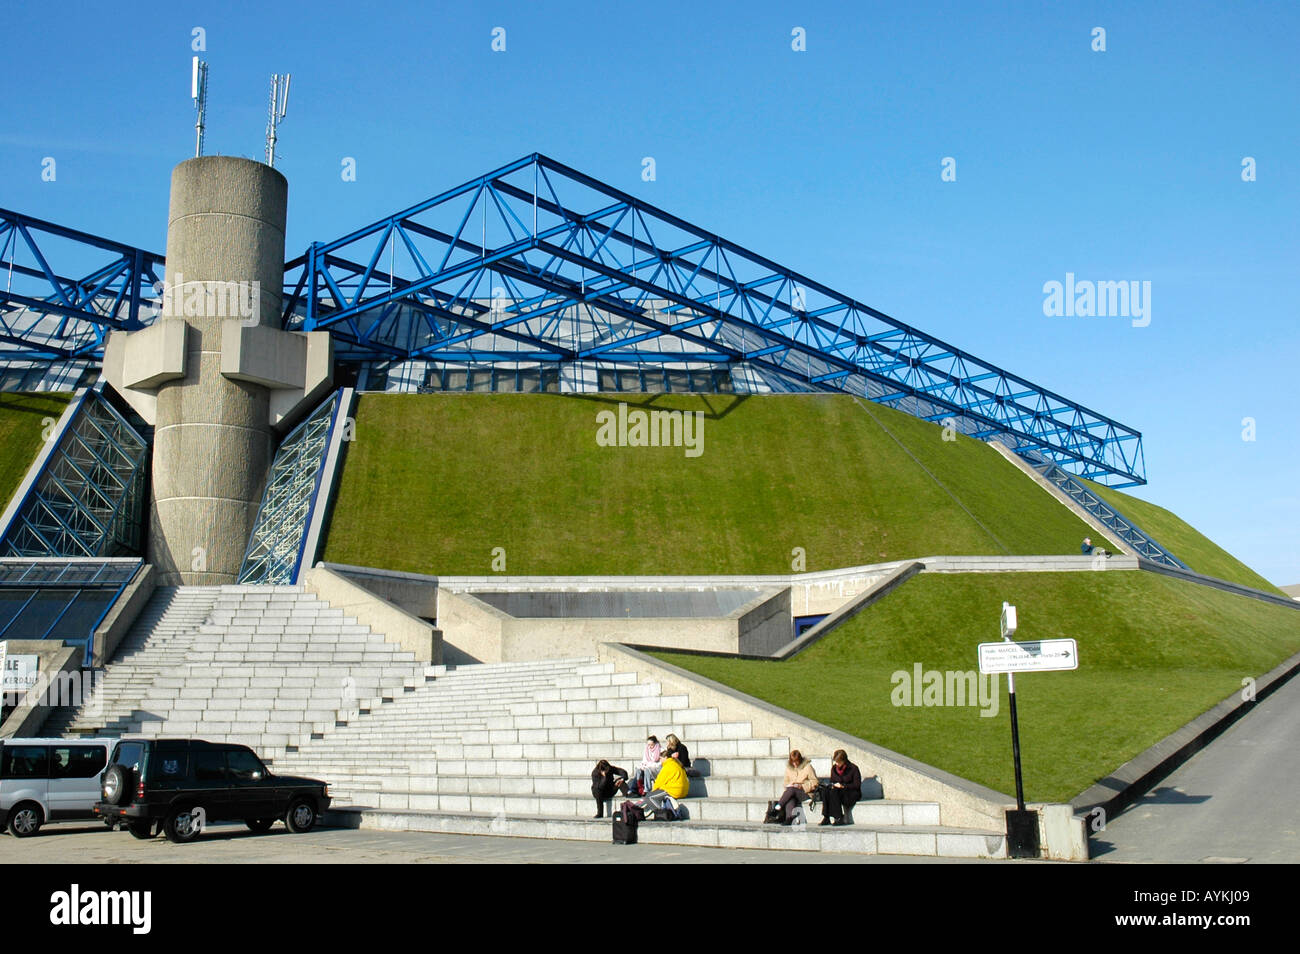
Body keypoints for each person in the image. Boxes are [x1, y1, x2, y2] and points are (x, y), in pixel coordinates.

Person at [639, 746, 689, 813]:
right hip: (683, 791)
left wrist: (652, 792)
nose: (660, 760)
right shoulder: (676, 764)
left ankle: (661, 812)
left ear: (665, 758)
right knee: (655, 795)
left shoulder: (667, 766)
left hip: (674, 790)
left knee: (649, 797)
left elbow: (659, 782)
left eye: (661, 758)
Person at [820, 749, 861, 826]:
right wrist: (833, 785)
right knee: (826, 790)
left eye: (838, 762)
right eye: (836, 761)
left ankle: (838, 817)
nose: (837, 764)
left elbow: (857, 785)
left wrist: (843, 786)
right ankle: (826, 816)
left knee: (835, 792)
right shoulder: (834, 769)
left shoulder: (853, 768)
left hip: (850, 792)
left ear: (844, 760)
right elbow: (832, 780)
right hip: (838, 790)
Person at [778, 749, 819, 825]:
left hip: (805, 793)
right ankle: (789, 818)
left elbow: (815, 782)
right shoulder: (788, 769)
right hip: (792, 792)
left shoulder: (808, 767)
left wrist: (802, 786)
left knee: (791, 790)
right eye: (793, 762)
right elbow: (785, 783)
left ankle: (778, 807)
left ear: (800, 760)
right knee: (791, 794)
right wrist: (790, 784)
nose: (795, 764)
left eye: (796, 762)